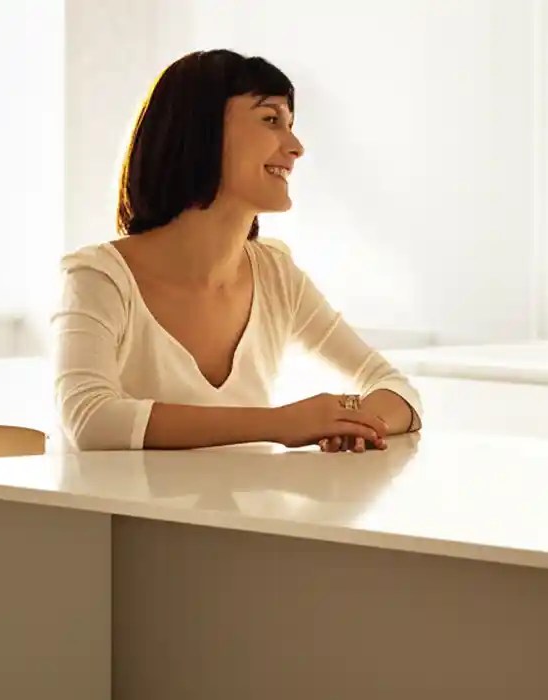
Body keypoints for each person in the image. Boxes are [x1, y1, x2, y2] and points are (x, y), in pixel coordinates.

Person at [53, 50, 421, 452]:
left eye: (290, 124)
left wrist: (357, 424)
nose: (295, 146)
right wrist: (280, 423)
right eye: (271, 120)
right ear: (200, 132)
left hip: (244, 517)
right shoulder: (99, 277)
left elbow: (396, 388)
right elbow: (90, 418)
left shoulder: (275, 274)